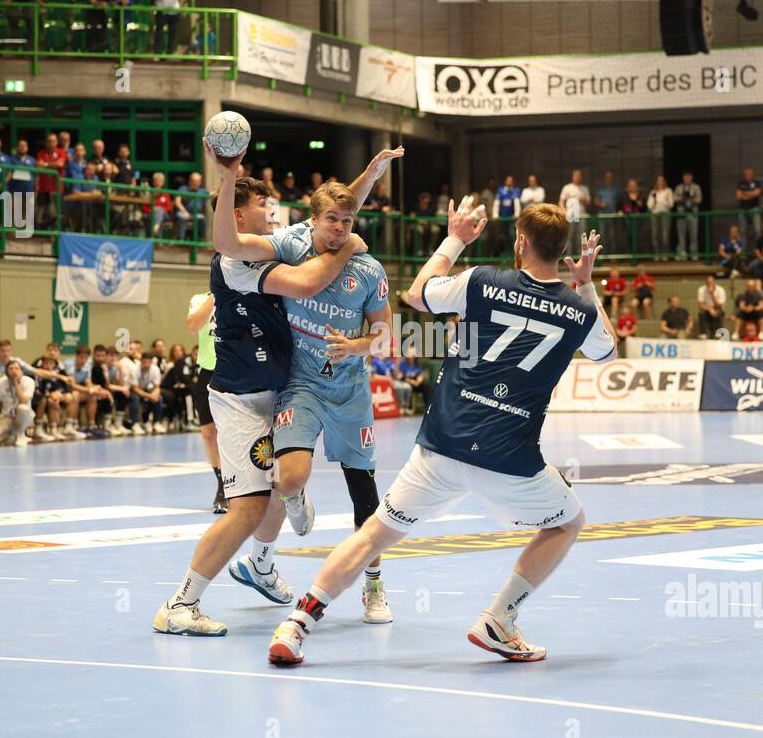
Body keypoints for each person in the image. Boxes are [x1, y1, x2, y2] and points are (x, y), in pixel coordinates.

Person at [267, 202, 617, 665]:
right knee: (567, 522)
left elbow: (418, 293)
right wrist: (587, 285)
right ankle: (499, 619)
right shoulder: (578, 310)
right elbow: (607, 354)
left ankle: (298, 624)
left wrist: (455, 238)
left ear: (521, 243)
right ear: (564, 251)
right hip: (509, 460)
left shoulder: (483, 280)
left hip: (442, 448)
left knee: (373, 536)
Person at [150, 152, 375, 637]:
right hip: (240, 400)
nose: (273, 214)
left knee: (279, 484)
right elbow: (313, 277)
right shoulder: (237, 263)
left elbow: (334, 210)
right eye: (263, 207)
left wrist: (369, 177)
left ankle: (262, 565)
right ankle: (179, 604)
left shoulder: (280, 242)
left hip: (275, 390)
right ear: (238, 214)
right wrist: (347, 247)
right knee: (248, 506)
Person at [241, 148, 404, 624]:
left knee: (365, 497)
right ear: (312, 220)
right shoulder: (294, 244)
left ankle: (374, 586)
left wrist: (358, 347)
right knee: (288, 477)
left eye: (347, 220)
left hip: (350, 390)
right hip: (302, 384)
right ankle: (294, 501)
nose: (340, 228)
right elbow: (247, 244)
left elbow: (385, 331)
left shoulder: (369, 270)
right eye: (331, 219)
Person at [0, 359, 35, 447]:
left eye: (17, 368)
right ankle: (10, 437)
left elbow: (24, 401)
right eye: (11, 369)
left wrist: (16, 385)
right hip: (6, 417)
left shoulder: (29, 381)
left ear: (21, 371)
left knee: (23, 408)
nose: (14, 371)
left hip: (24, 417)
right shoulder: (1, 382)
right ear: (6, 372)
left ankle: (21, 434)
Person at [673, 171, 702, 260]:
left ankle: (694, 253)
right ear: (683, 178)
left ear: (691, 178)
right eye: (685, 177)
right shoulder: (679, 187)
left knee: (693, 234)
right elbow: (675, 198)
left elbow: (699, 199)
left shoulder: (696, 187)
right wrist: (682, 198)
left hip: (692, 213)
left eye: (689, 177)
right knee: (681, 234)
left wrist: (691, 199)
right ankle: (682, 253)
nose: (687, 178)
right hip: (682, 213)